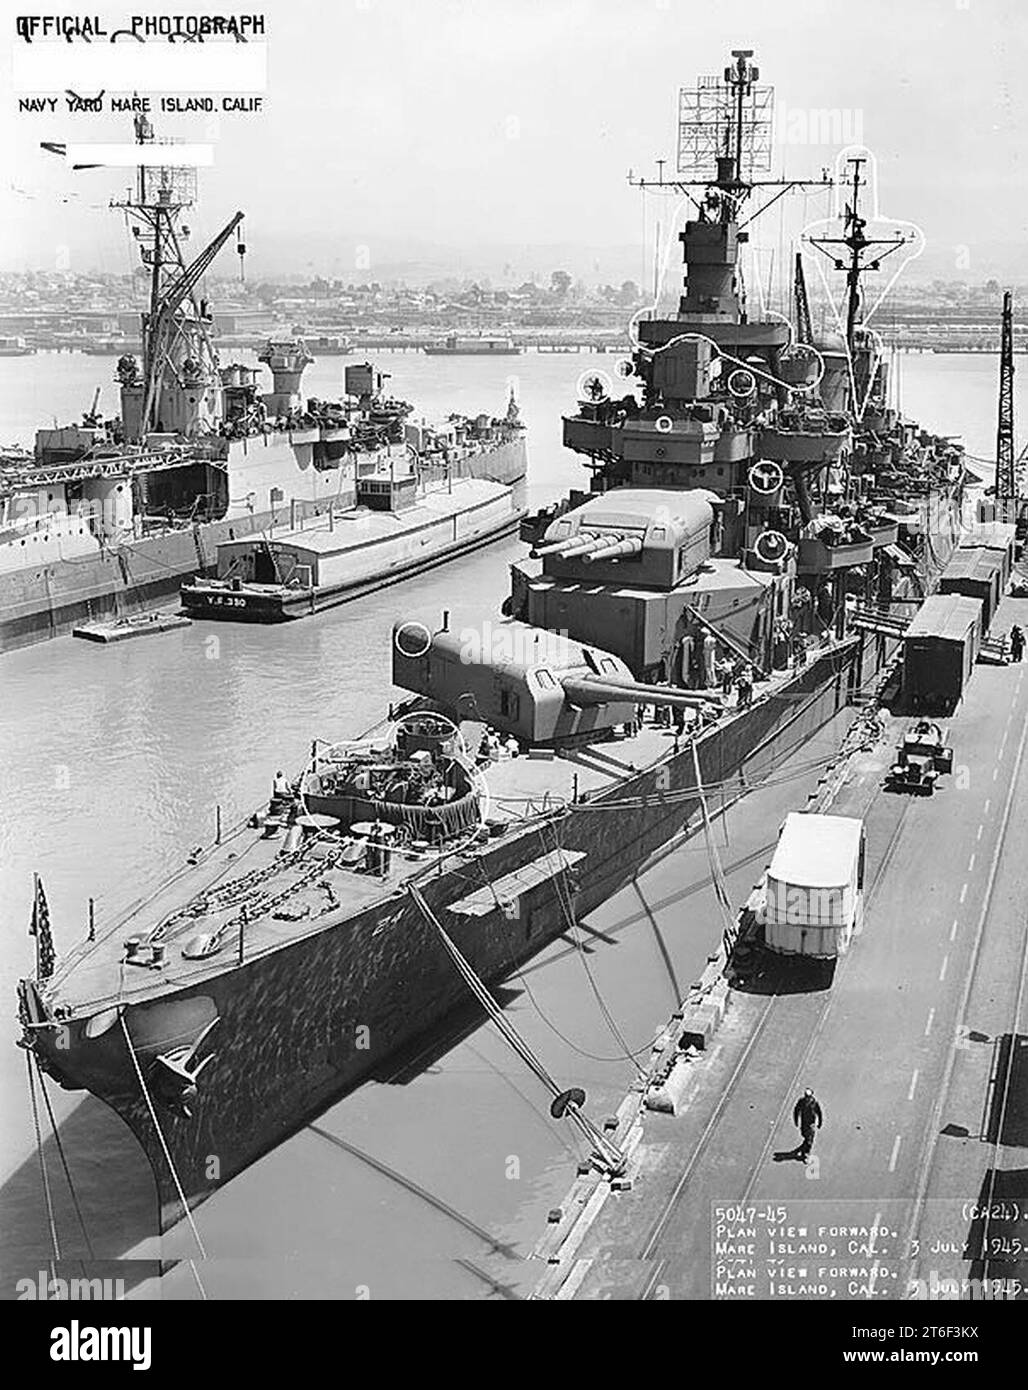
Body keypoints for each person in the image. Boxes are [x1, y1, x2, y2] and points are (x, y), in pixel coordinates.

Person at [793, 1088, 823, 1163]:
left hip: (811, 1123)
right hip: (804, 1122)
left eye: (809, 1096)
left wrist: (820, 1123)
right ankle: (805, 1143)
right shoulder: (801, 1102)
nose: (807, 1098)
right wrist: (796, 1121)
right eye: (806, 1096)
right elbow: (796, 1111)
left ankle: (806, 1154)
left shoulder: (814, 1103)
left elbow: (819, 1113)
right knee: (804, 1135)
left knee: (809, 1140)